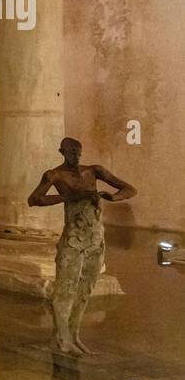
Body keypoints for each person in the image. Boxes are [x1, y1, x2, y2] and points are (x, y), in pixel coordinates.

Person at [26, 137, 136, 356]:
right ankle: (60, 338)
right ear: (62, 152)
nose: (76, 156)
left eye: (78, 152)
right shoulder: (54, 175)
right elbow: (34, 199)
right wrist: (68, 196)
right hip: (74, 238)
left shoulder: (94, 171)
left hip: (95, 237)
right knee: (65, 289)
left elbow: (130, 189)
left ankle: (73, 335)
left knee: (85, 289)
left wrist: (112, 197)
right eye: (71, 152)